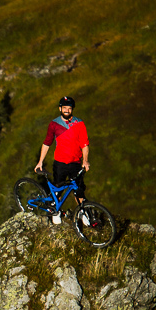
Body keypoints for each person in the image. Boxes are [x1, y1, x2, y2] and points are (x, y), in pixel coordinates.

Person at [34, 95, 89, 224]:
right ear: (60, 109)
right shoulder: (54, 124)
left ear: (72, 109)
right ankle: (56, 212)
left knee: (79, 190)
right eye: (64, 108)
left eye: (69, 108)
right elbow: (47, 143)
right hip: (59, 163)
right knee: (58, 189)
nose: (66, 110)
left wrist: (85, 160)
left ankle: (83, 213)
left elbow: (85, 144)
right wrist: (40, 161)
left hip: (75, 163)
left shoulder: (79, 123)